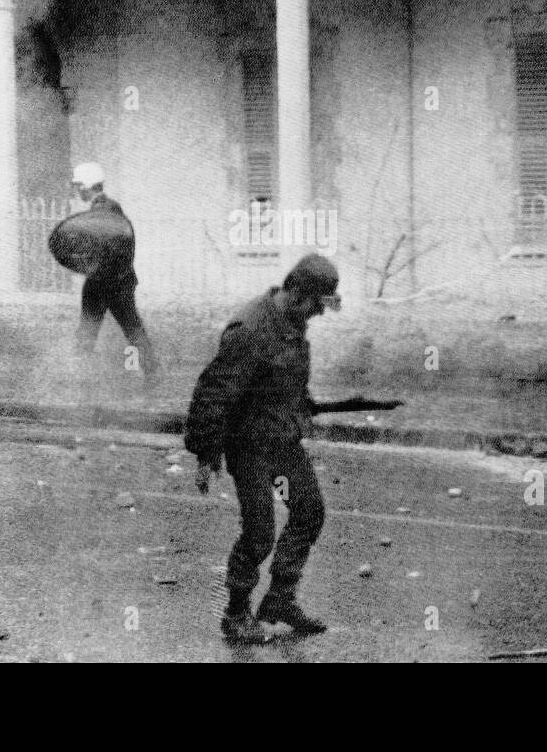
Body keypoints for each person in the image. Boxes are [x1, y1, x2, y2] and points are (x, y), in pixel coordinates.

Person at [185, 253, 343, 645]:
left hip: (282, 442)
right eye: (316, 306)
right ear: (297, 293)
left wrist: (300, 402)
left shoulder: (292, 319)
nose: (319, 315)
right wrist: (207, 453)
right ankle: (236, 614)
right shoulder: (251, 329)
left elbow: (282, 375)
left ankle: (279, 600)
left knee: (308, 511)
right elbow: (214, 392)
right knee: (259, 534)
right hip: (251, 448)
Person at [71, 162, 159, 382]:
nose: (77, 191)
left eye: (78, 187)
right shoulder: (110, 207)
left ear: (85, 187)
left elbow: (106, 245)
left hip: (106, 281)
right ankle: (151, 372)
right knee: (127, 328)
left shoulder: (102, 211)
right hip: (114, 280)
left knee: (96, 329)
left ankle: (82, 374)